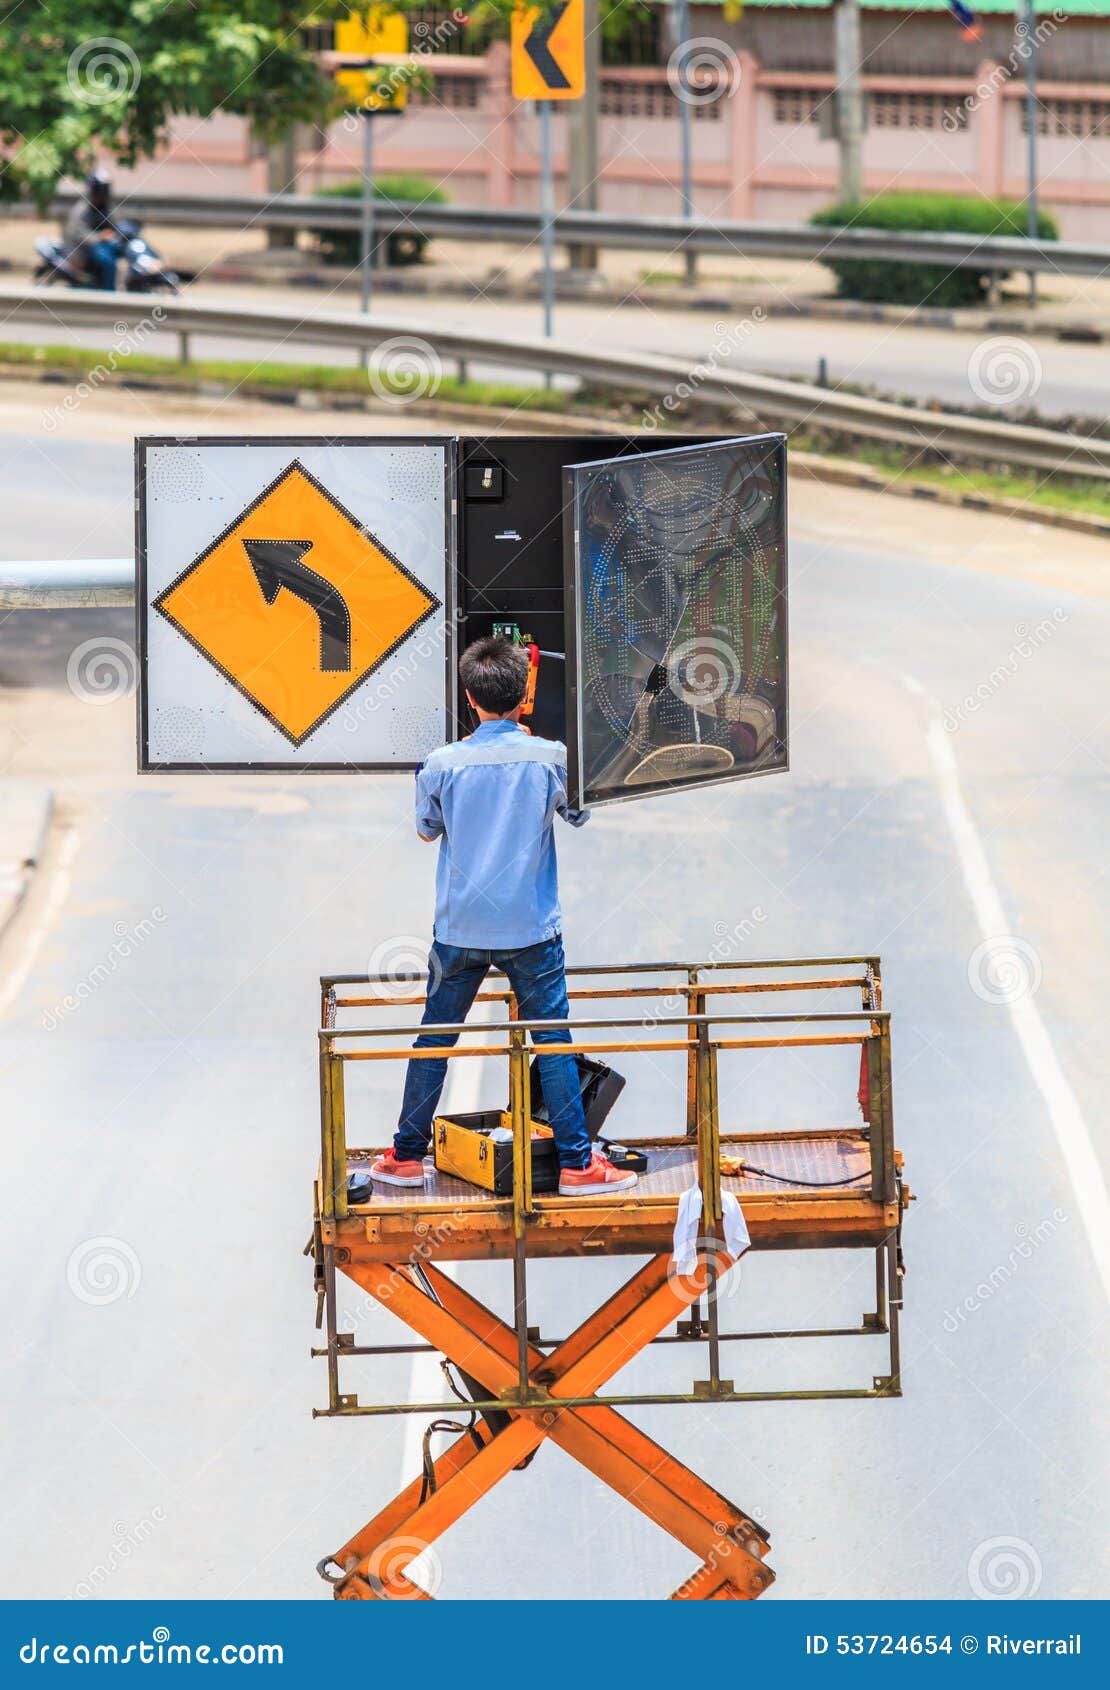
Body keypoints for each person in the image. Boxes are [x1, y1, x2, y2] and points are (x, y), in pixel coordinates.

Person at [369, 636, 638, 1197]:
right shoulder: (551, 758)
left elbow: (427, 830)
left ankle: (406, 1157)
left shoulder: (441, 764)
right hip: (530, 931)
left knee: (434, 1041)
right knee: (552, 1042)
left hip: (459, 931)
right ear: (524, 696)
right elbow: (579, 814)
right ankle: (577, 1165)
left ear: (470, 698)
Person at [62, 169, 118, 290]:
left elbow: (115, 227)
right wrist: (100, 237)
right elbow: (77, 234)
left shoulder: (107, 208)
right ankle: (110, 294)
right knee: (107, 262)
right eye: (100, 189)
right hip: (81, 252)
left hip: (102, 247)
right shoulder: (82, 210)